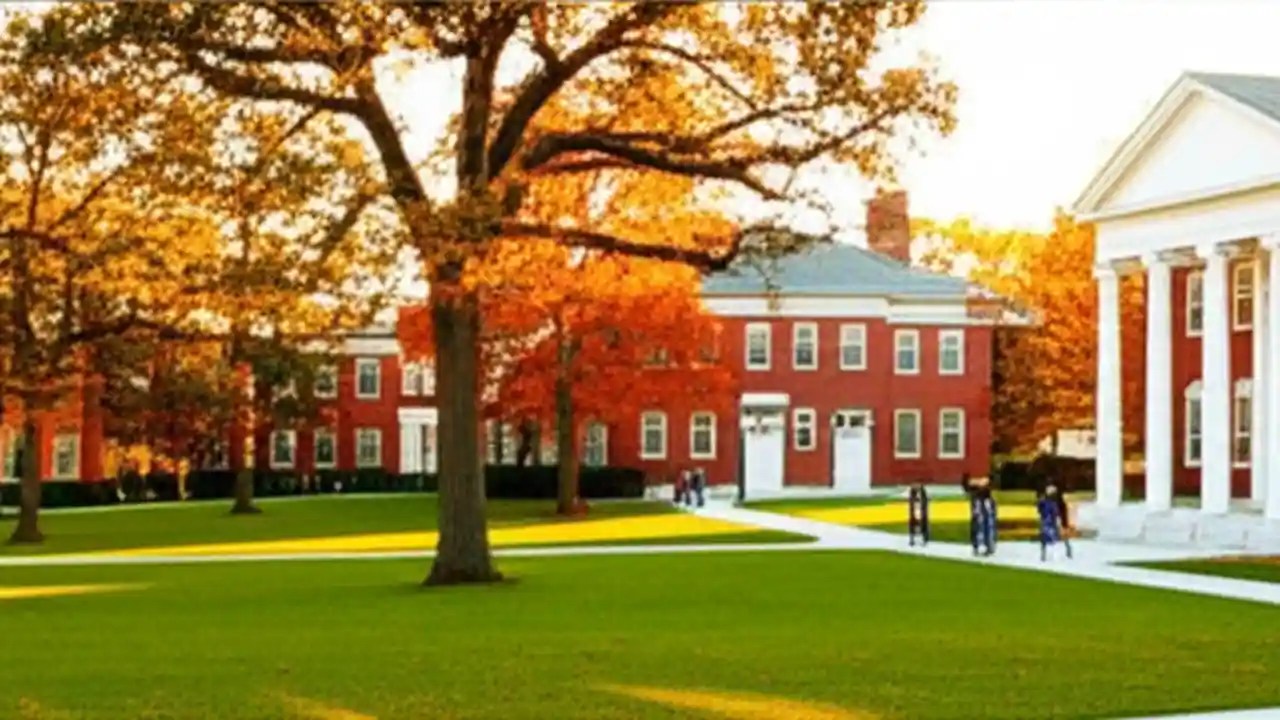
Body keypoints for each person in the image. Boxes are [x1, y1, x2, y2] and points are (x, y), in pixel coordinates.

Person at [1037, 484, 1073, 561]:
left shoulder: (1054, 502)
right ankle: (1043, 554)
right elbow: (1040, 510)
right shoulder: (1046, 502)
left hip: (1052, 521)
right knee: (1045, 537)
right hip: (1048, 521)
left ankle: (1068, 550)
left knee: (1060, 535)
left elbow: (1058, 512)